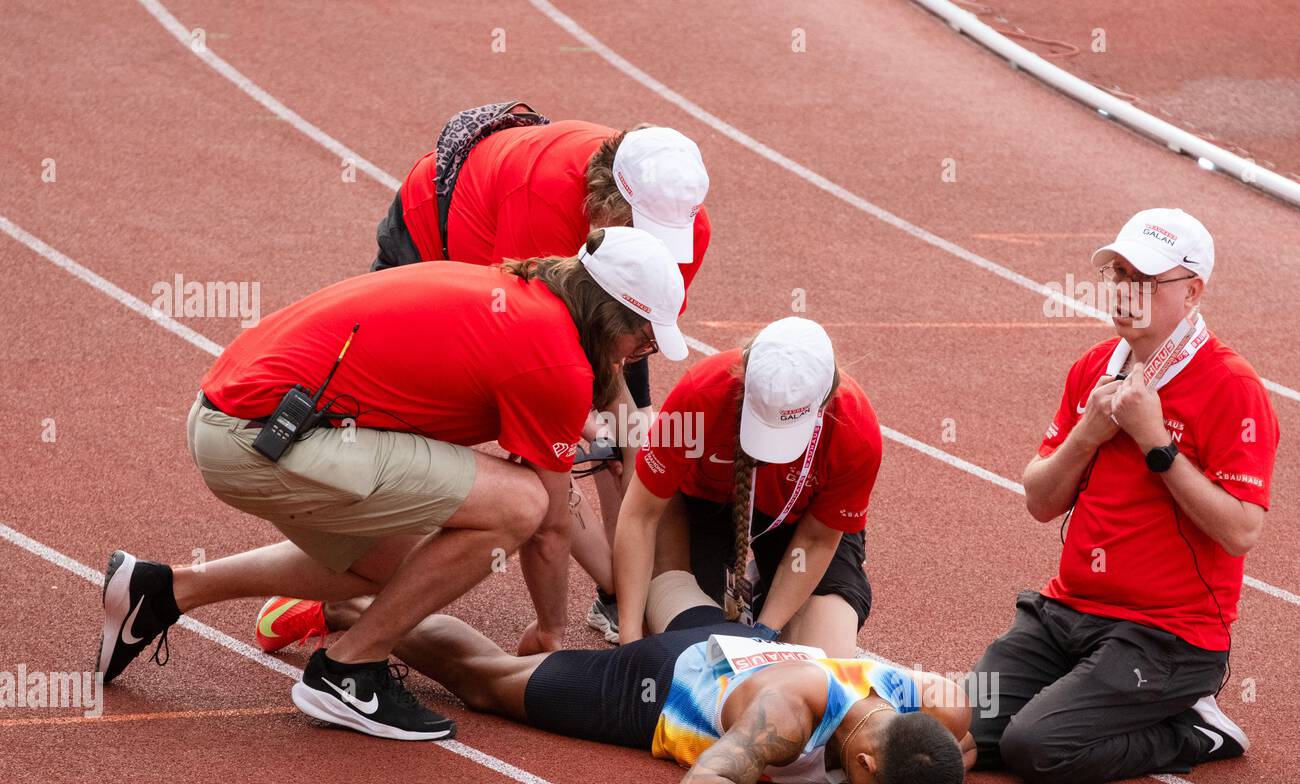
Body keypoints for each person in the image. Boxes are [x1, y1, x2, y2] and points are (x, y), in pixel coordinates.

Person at [96, 227, 687, 742]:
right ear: (610, 317)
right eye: (646, 338)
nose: (643, 353)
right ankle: (348, 669)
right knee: (521, 502)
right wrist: (551, 632)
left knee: (395, 569)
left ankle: (164, 590)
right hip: (258, 433)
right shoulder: (553, 358)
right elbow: (552, 526)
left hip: (241, 417)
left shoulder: (529, 292)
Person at [262, 111, 713, 649]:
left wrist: (633, 582)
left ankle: (618, 594)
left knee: (623, 428)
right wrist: (551, 625)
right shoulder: (544, 199)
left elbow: (620, 370)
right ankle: (341, 582)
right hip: (442, 241)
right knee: (429, 440)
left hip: (582, 290)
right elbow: (536, 377)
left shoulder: (686, 232)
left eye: (659, 237)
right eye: (635, 229)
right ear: (603, 204)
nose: (652, 244)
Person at [969, 208, 1279, 784]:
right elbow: (1040, 501)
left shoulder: (1232, 387)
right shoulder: (1093, 368)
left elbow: (1240, 530)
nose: (1124, 293)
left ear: (1192, 291)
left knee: (1036, 748)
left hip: (1168, 635)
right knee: (959, 727)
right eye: (1118, 276)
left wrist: (1155, 442)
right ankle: (1099, 695)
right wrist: (1089, 432)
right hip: (1066, 612)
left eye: (1145, 281)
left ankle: (1197, 728)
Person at [381, 603, 971, 784]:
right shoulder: (786, 721)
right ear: (865, 763)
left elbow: (961, 754)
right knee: (485, 681)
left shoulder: (942, 706)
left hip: (743, 646)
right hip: (660, 682)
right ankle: (347, 611)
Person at [612, 317, 883, 658]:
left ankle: (763, 591)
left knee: (822, 669)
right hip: (704, 508)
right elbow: (640, 516)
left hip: (800, 527)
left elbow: (817, 539)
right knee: (694, 649)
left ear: (824, 403)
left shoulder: (856, 430)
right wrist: (630, 639)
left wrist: (765, 634)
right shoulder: (700, 392)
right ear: (742, 372)